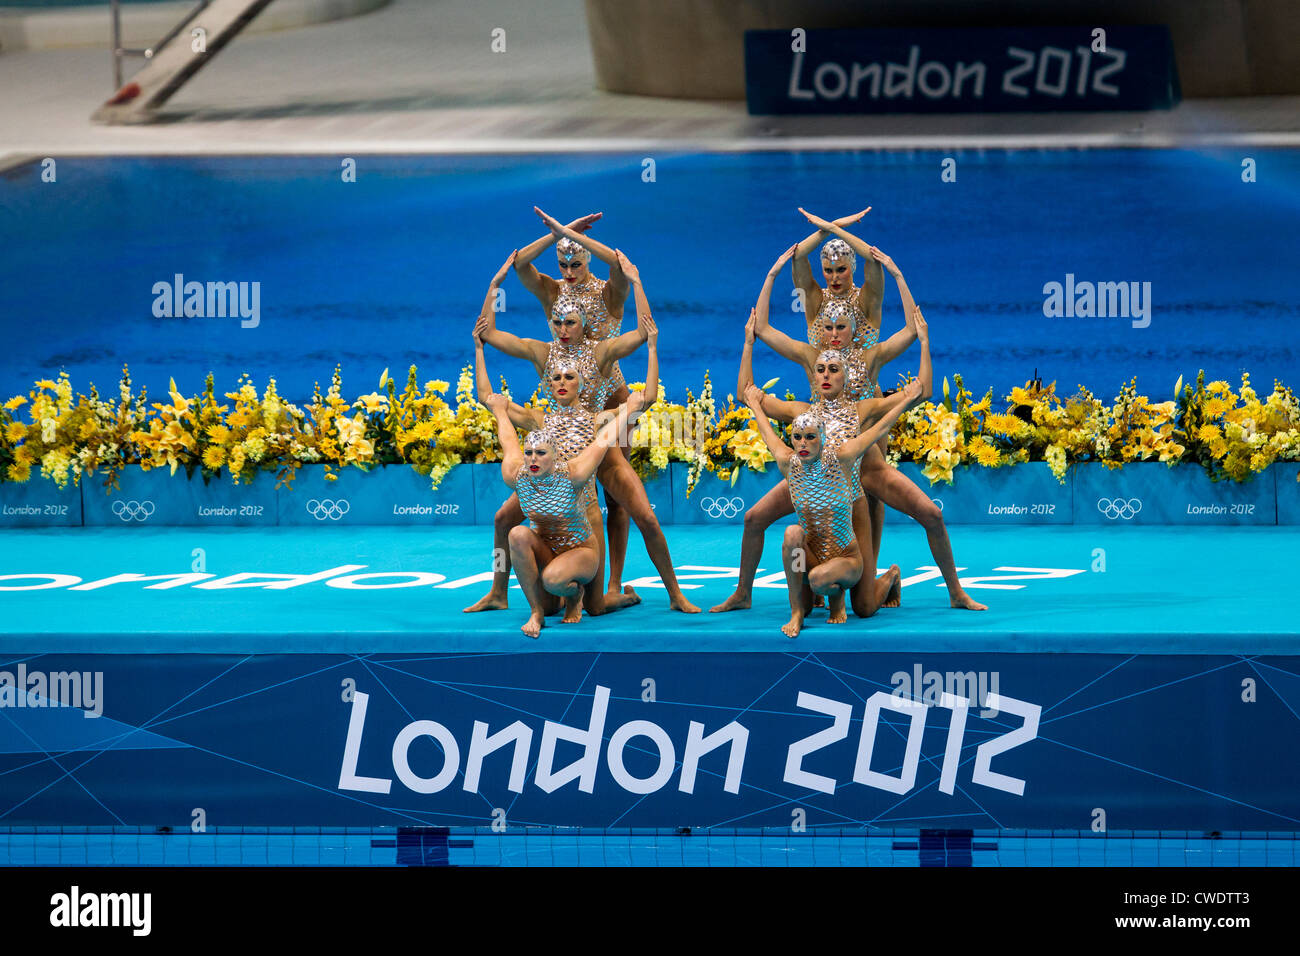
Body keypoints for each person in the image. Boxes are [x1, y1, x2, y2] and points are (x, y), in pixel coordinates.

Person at [472, 249, 701, 613]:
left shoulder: (600, 351)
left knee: (643, 513)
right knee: (503, 519)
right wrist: (493, 286)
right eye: (557, 323)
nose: (563, 330)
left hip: (597, 441)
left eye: (571, 323)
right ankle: (500, 591)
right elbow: (489, 335)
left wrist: (636, 280)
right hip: (555, 456)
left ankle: (673, 593)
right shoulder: (543, 353)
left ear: (584, 323)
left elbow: (644, 332)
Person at [472, 307, 657, 616]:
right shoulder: (537, 420)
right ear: (549, 384)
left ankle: (625, 597)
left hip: (583, 513)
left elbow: (646, 399)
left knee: (596, 608)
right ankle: (499, 591)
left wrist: (651, 347)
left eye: (569, 377)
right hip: (545, 510)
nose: (561, 381)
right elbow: (488, 398)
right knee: (504, 521)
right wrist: (479, 349)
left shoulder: (597, 420)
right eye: (555, 377)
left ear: (580, 384)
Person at [741, 379, 919, 637]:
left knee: (825, 584)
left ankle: (890, 576)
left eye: (810, 437)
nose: (803, 443)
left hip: (846, 558)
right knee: (792, 534)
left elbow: (880, 428)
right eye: (798, 438)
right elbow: (766, 431)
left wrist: (907, 399)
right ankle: (797, 612)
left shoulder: (843, 458)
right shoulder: (788, 463)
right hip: (811, 555)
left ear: (822, 438)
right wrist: (755, 404)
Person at [482, 378, 650, 639]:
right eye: (529, 453)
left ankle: (613, 597)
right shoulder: (516, 474)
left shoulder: (574, 473)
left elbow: (604, 439)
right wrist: (500, 410)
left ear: (555, 456)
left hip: (579, 548)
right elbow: (507, 440)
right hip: (547, 548)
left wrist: (630, 408)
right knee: (515, 533)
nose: (533, 459)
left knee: (592, 604)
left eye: (541, 453)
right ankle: (536, 610)